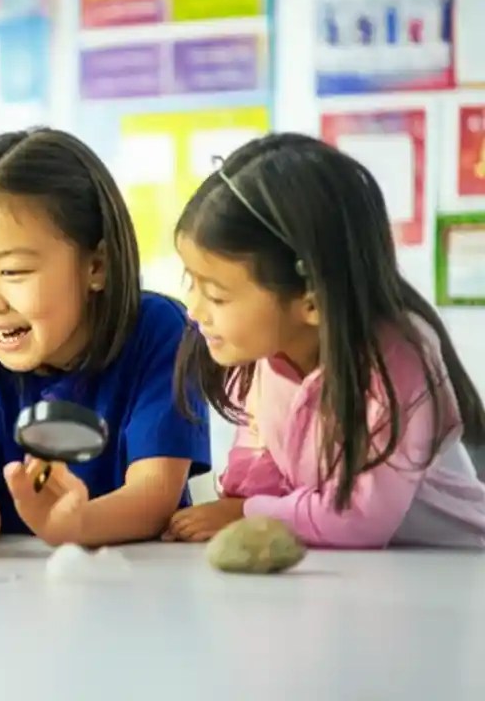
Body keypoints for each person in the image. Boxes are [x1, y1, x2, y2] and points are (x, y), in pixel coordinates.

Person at [0, 128, 211, 559]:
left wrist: (73, 526)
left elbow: (154, 495)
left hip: (143, 584)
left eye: (13, 272)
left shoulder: (162, 332)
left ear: (97, 265)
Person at [166, 133, 485, 548]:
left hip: (453, 571)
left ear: (312, 301)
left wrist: (245, 512)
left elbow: (358, 519)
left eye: (216, 295)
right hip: (357, 571)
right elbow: (257, 458)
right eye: (192, 283)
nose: (193, 310)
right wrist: (240, 502)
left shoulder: (396, 357)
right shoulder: (268, 355)